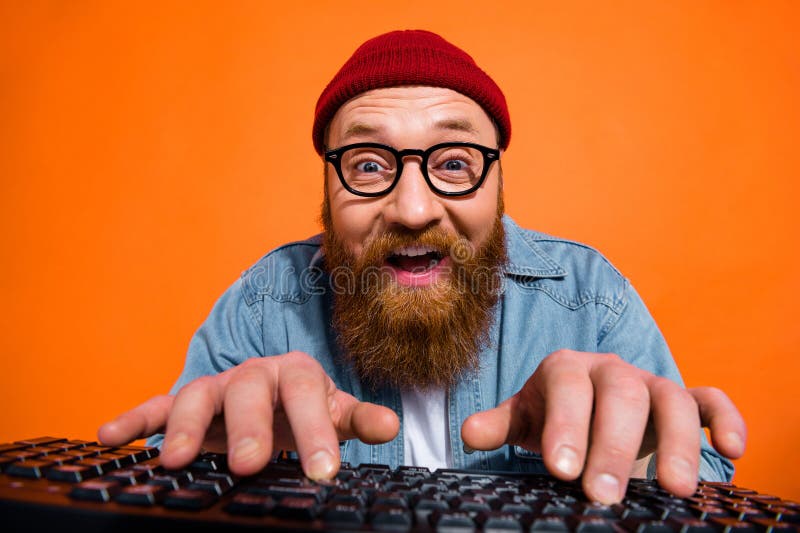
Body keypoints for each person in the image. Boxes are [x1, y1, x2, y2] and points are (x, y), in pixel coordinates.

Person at [98, 29, 746, 505]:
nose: (412, 209)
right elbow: (158, 481)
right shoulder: (262, 305)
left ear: (499, 184)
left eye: (455, 162)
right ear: (327, 189)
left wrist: (631, 460)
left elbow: (707, 484)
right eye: (370, 164)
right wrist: (210, 474)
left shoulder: (589, 299)